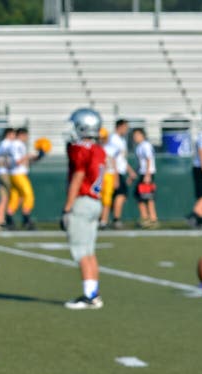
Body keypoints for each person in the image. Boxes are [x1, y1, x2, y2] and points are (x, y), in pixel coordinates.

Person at [62, 108, 106, 310]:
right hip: (96, 201)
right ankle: (93, 295)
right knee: (89, 251)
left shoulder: (80, 149)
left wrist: (67, 207)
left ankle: (89, 297)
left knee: (80, 251)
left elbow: (78, 177)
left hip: (82, 200)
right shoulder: (99, 149)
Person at [4, 128, 41, 230]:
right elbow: (18, 161)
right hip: (18, 174)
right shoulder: (17, 144)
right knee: (28, 195)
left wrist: (38, 156)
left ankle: (9, 219)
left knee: (15, 197)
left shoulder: (17, 145)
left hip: (15, 174)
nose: (27, 138)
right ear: (21, 135)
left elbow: (24, 161)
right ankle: (26, 218)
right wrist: (29, 155)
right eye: (26, 135)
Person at [109, 119, 137, 229]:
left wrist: (130, 171)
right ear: (119, 127)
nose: (127, 130)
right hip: (114, 171)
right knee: (120, 195)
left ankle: (109, 218)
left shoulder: (121, 140)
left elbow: (121, 159)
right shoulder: (114, 139)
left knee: (120, 196)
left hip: (120, 171)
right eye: (125, 127)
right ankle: (116, 219)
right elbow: (113, 158)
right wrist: (115, 175)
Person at [132, 128, 159, 229]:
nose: (135, 138)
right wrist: (134, 174)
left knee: (148, 197)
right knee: (140, 197)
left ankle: (152, 219)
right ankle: (145, 217)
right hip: (142, 173)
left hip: (147, 174)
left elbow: (149, 159)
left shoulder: (146, 145)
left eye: (137, 135)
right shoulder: (139, 147)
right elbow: (140, 163)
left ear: (142, 135)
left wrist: (147, 174)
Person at [0, 127, 14, 230]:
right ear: (8, 134)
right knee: (15, 194)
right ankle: (9, 218)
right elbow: (4, 158)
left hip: (0, 172)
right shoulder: (6, 144)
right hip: (4, 172)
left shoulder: (2, 144)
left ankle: (0, 221)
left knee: (3, 197)